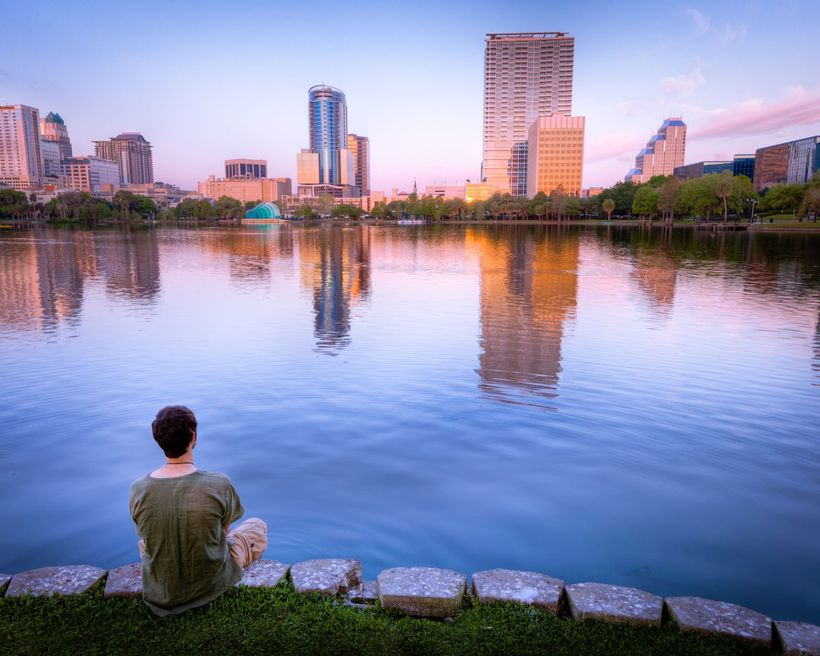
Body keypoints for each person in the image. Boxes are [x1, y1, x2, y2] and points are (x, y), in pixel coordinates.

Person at [129, 405, 268, 616]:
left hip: (161, 593)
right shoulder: (219, 483)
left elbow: (143, 531)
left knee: (145, 542)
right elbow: (224, 533)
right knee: (257, 526)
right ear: (193, 437)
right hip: (211, 581)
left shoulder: (139, 488)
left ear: (158, 440)